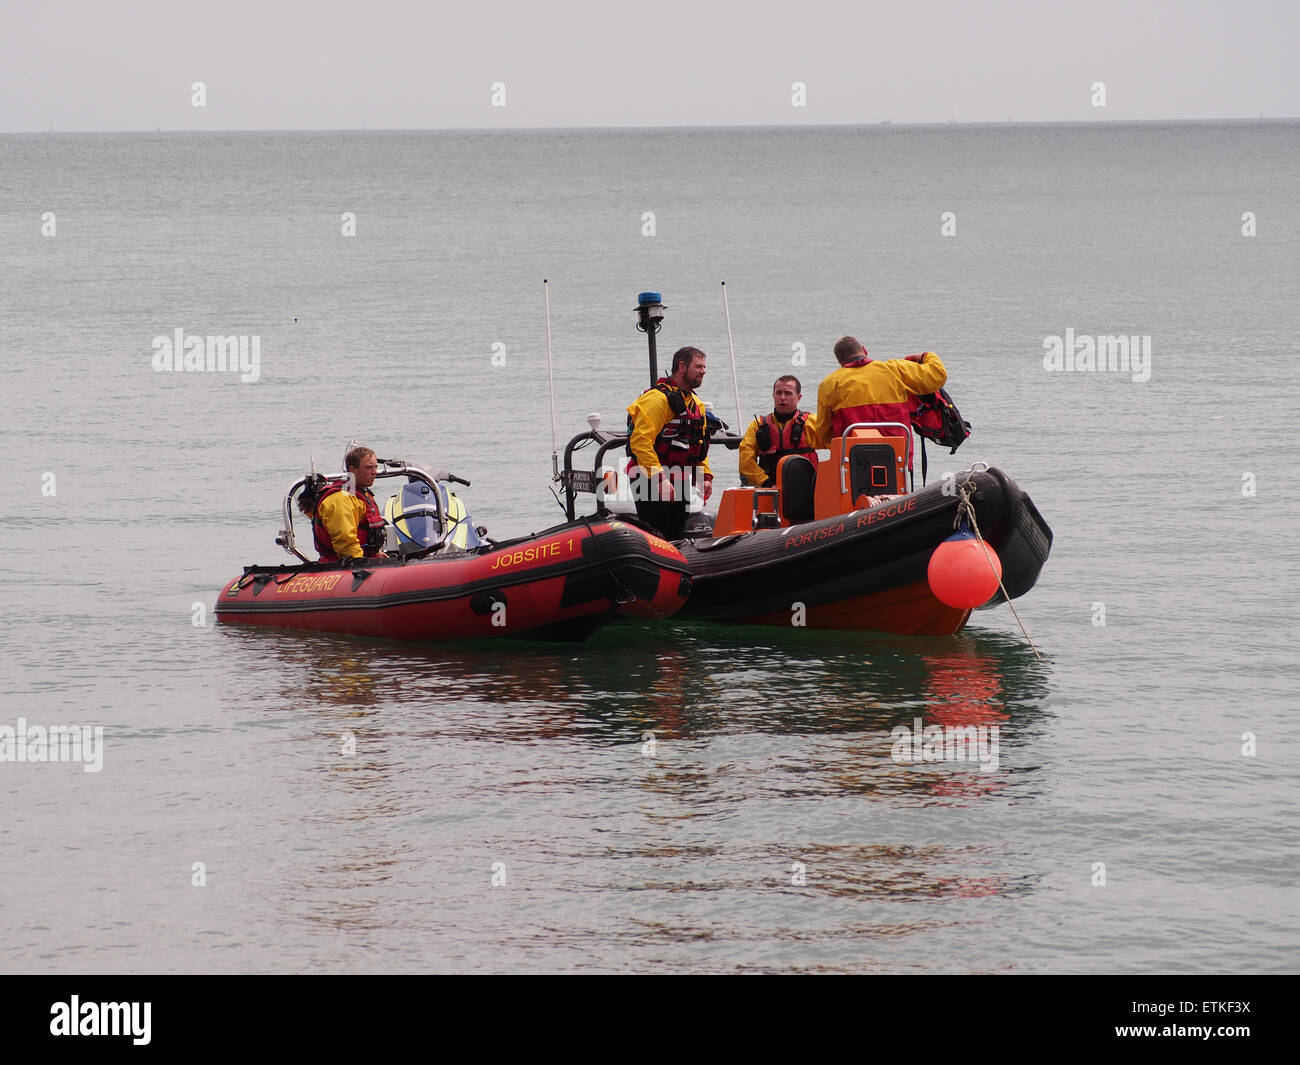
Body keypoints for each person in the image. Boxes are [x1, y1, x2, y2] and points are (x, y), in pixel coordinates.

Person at [625, 346, 714, 539]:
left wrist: (705, 475)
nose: (703, 371)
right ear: (682, 366)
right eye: (698, 366)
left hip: (680, 478)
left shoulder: (696, 405)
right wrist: (660, 479)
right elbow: (640, 441)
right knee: (657, 534)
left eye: (704, 367)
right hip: (650, 479)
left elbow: (700, 444)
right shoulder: (657, 399)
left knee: (676, 534)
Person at [804, 337, 947, 457]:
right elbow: (938, 375)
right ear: (864, 350)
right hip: (897, 458)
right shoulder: (894, 369)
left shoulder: (829, 384)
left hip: (853, 461)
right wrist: (925, 356)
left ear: (840, 362)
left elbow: (824, 431)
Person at [307, 446, 389, 563]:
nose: (375, 472)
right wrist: (359, 564)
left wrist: (375, 553)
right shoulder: (340, 500)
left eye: (376, 467)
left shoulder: (362, 494)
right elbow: (346, 542)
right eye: (369, 468)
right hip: (340, 565)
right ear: (353, 470)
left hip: (367, 558)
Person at [739, 375, 816, 488]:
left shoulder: (811, 423)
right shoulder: (757, 426)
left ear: (799, 397)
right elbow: (745, 462)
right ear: (773, 395)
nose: (782, 397)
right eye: (779, 393)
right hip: (770, 489)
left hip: (807, 489)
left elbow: (835, 444)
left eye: (788, 393)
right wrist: (767, 483)